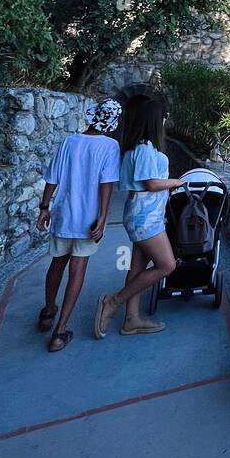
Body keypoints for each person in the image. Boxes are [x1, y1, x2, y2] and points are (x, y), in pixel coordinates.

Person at [93, 95, 184, 339]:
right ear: (153, 120)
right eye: (162, 117)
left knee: (137, 267)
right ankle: (113, 302)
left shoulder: (140, 147)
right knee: (167, 265)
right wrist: (177, 182)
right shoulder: (144, 148)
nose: (165, 121)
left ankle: (131, 320)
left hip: (144, 215)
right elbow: (151, 183)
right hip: (146, 219)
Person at [36, 98, 122, 353]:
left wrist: (44, 207)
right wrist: (103, 217)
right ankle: (59, 332)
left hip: (63, 215)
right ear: (112, 123)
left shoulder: (69, 141)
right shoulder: (110, 146)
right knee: (78, 269)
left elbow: (53, 177)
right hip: (88, 219)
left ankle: (48, 310)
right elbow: (106, 184)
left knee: (57, 263)